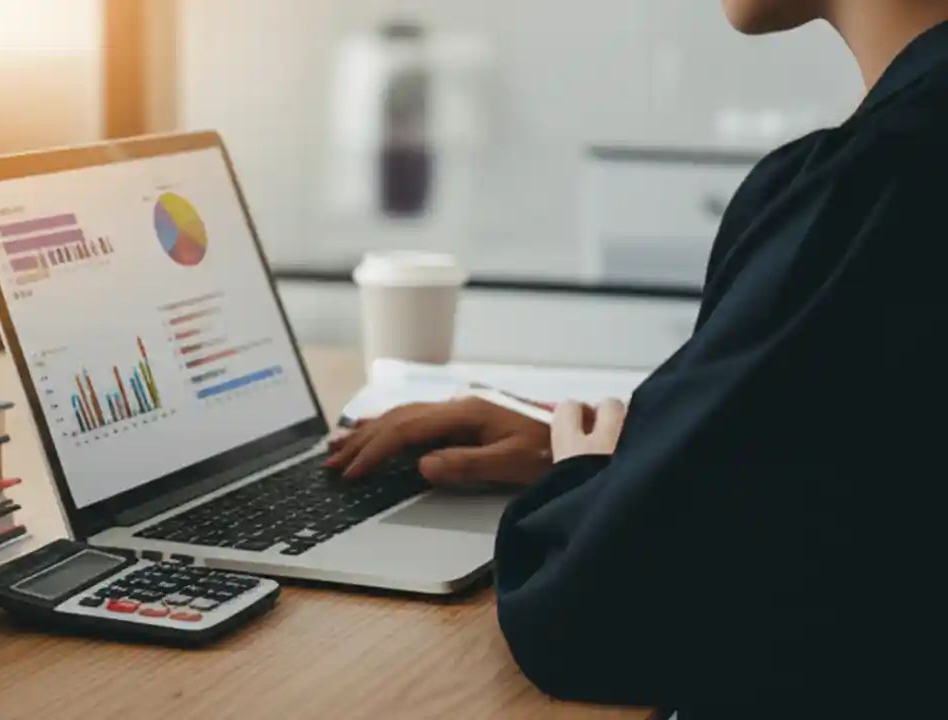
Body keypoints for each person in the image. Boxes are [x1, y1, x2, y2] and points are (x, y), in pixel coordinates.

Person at [327, 1, 948, 716]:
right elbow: (852, 480)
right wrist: (645, 456)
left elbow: (596, 612)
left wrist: (583, 484)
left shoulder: (889, 182)